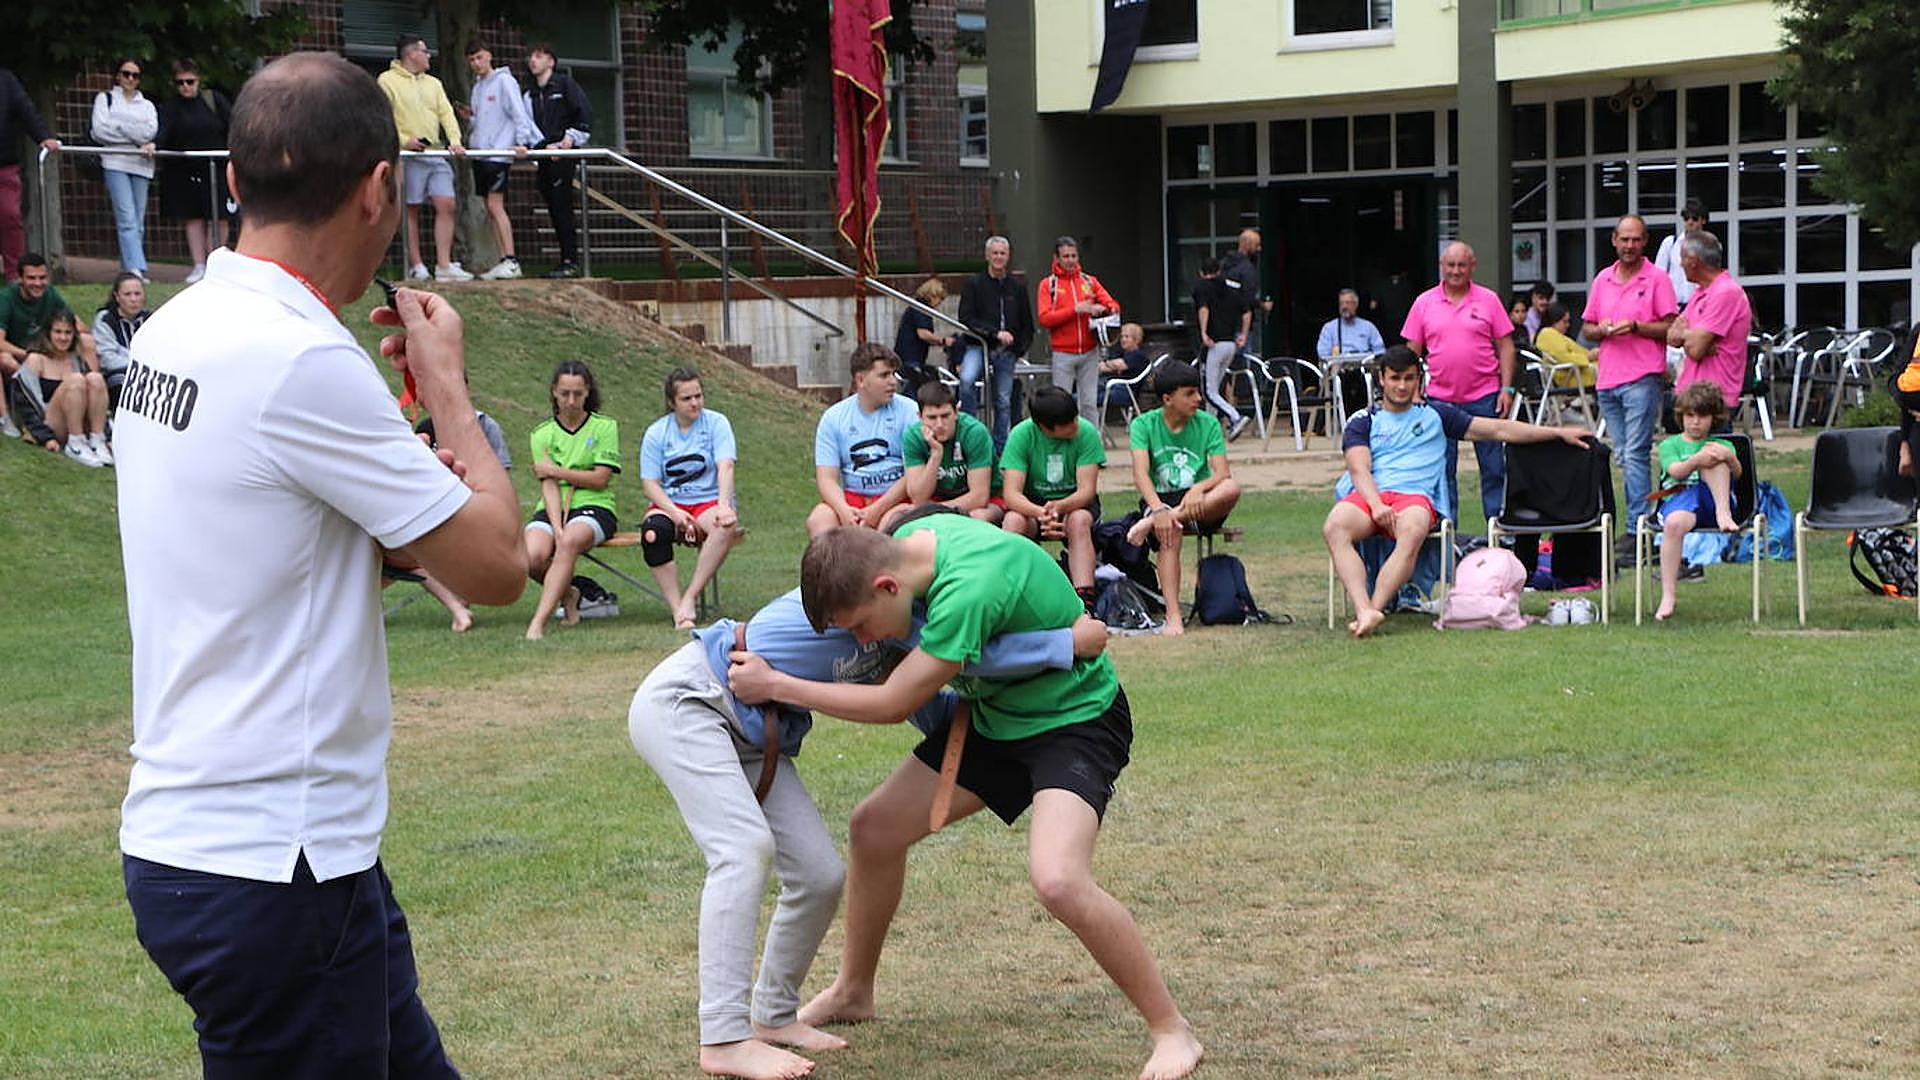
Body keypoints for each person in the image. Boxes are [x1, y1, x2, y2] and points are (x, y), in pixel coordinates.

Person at [116, 52, 525, 1077]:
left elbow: (273, 537)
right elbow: (495, 566)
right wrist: (448, 390)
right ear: (382, 188)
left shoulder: (176, 330)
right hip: (275, 864)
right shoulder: (299, 358)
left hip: (229, 845)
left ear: (238, 179)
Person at [724, 516, 1206, 1080]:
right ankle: (854, 991)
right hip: (994, 720)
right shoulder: (915, 545)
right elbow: (982, 653)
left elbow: (892, 702)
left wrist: (775, 685)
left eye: (859, 626)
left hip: (1074, 722)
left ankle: (1173, 1031)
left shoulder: (965, 588)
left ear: (886, 587)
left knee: (1058, 879)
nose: (862, 642)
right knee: (874, 829)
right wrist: (1057, 641)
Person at [631, 582, 1106, 1080]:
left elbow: (926, 704)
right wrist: (1064, 644)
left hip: (753, 734)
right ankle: (724, 1038)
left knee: (819, 874)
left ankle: (772, 1017)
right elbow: (976, 659)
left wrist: (1010, 722)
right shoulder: (849, 603)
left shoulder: (899, 628)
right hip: (689, 702)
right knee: (742, 850)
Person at [1325, 347, 1588, 638]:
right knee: (1335, 526)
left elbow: (1498, 430)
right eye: (1395, 378)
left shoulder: (1437, 414)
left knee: (1411, 530)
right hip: (1371, 494)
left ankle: (1376, 608)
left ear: (1419, 381)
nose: (1401, 385)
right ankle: (1364, 608)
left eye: (1409, 378)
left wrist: (1557, 433)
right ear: (1381, 380)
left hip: (1415, 498)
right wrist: (1375, 505)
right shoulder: (1363, 419)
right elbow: (1359, 469)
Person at [1399, 241, 1517, 525]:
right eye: (1450, 265)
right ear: (1442, 266)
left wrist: (1507, 388)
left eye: (1461, 265)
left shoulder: (1488, 299)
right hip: (1439, 399)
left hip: (1486, 395)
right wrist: (1413, 391)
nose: (1455, 271)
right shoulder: (1424, 302)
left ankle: (1498, 529)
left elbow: (1506, 347)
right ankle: (1447, 529)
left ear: (1472, 266)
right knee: (1441, 468)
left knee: (1493, 467)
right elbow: (1410, 353)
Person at [1581, 214, 1678, 547]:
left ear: (1645, 241)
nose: (1630, 245)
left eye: (1636, 239)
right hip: (1608, 379)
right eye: (1624, 239)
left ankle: (1638, 530)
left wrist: (1636, 326)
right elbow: (1587, 328)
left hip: (1642, 376)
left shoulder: (1657, 278)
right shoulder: (1603, 279)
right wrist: (1604, 329)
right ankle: (1647, 519)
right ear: (1614, 240)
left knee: (1635, 453)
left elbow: (1671, 327)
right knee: (1623, 454)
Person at [1124, 361, 1241, 636]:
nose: (1198, 399)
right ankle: (1173, 616)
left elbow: (1222, 472)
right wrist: (1158, 509)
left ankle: (1153, 523)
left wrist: (1200, 488)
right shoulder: (1144, 424)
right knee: (1170, 532)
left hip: (1199, 502)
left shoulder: (1208, 423)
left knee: (1231, 488)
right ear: (1168, 399)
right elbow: (1141, 475)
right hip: (1160, 499)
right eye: (1190, 393)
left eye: (1198, 392)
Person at [524, 358, 620, 639]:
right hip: (552, 508)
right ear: (554, 392)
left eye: (578, 393)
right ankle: (570, 595)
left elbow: (600, 479)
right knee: (532, 558)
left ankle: (538, 623)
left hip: (595, 505)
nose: (571, 400)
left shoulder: (604, 427)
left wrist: (555, 470)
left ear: (588, 392)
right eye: (565, 393)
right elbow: (549, 486)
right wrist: (555, 525)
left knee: (568, 541)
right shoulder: (541, 434)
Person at [639, 367, 741, 630]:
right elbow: (649, 484)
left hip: (708, 500)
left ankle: (690, 597)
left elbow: (726, 466)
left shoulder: (717, 423)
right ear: (672, 403)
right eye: (687, 398)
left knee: (725, 524)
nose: (695, 403)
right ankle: (677, 609)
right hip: (672, 502)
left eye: (698, 395)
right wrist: (674, 512)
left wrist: (723, 505)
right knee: (652, 533)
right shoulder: (657, 433)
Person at [410, 394, 514, 633]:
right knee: (411, 549)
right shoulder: (425, 429)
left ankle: (459, 601)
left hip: (477, 507)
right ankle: (458, 603)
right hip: (439, 510)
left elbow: (501, 477)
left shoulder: (485, 426)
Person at [998, 385, 1105, 607]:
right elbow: (1011, 494)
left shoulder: (1086, 432)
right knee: (1012, 520)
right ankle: (1011, 596)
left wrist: (1059, 507)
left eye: (1075, 418)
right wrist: (1041, 513)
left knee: (1079, 521)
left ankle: (1085, 599)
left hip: (1074, 502)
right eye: (1067, 423)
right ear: (1044, 427)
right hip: (1033, 505)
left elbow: (1087, 491)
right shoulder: (1021, 435)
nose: (1075, 425)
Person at [379, 34, 471, 282]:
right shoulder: (386, 81)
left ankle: (444, 265)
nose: (429, 55)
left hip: (436, 152)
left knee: (446, 204)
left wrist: (455, 141)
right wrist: (404, 140)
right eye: (424, 51)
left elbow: (446, 114)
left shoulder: (434, 83)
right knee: (411, 208)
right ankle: (417, 265)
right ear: (411, 54)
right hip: (408, 155)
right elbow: (383, 119)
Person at [1647, 381, 1741, 622]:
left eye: (1702, 416)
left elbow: (1739, 475)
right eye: (1690, 416)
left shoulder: (1722, 444)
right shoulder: (1670, 444)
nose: (1696, 422)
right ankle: (1668, 594)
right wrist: (1696, 460)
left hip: (1715, 500)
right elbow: (1676, 471)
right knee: (1674, 524)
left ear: (1714, 418)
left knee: (1716, 459)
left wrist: (1729, 458)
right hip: (1682, 497)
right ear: (1681, 416)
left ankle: (1723, 513)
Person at [807, 342, 918, 537]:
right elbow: (826, 478)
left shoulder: (910, 411)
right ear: (861, 379)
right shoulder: (834, 417)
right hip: (853, 499)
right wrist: (843, 510)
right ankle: (833, 568)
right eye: (884, 375)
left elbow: (914, 474)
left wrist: (877, 509)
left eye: (893, 374)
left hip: (897, 498)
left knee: (889, 524)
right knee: (819, 521)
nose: (893, 382)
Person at [1, 253, 100, 438]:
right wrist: (26, 355)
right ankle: (10, 416)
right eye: (31, 278)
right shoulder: (6, 298)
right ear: (20, 279)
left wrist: (66, 336)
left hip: (46, 353)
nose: (38, 283)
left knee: (87, 340)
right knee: (4, 359)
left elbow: (79, 326)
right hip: (19, 357)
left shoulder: (50, 294)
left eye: (42, 278)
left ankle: (91, 390)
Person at [464, 42, 540, 281]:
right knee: (489, 207)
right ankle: (502, 260)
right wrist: (469, 119)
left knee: (496, 205)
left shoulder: (505, 81)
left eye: (479, 57)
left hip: (499, 152)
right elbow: (481, 120)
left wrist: (521, 141)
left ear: (488, 56)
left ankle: (511, 259)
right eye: (472, 60)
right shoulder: (477, 88)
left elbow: (519, 113)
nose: (476, 63)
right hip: (481, 152)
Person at [882, 380, 1001, 530]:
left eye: (945, 416)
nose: (939, 424)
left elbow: (979, 497)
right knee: (893, 517)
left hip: (985, 502)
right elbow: (918, 497)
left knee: (977, 517)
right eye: (932, 418)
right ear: (920, 417)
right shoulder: (913, 436)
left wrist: (933, 510)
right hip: (935, 500)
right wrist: (936, 455)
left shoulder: (974, 432)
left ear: (956, 412)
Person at [154, 60, 232, 285]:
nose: (185, 87)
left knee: (219, 216)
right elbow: (164, 132)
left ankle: (216, 263)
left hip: (216, 167)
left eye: (190, 81)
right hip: (185, 170)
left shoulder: (214, 100)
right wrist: (153, 144)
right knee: (194, 217)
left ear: (198, 81)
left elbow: (232, 124)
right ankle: (199, 264)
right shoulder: (171, 107)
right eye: (180, 83)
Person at [954, 235, 1034, 450]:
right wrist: (994, 333)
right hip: (977, 344)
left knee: (1003, 400)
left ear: (1008, 257)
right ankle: (970, 435)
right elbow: (966, 318)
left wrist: (1018, 350)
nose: (999, 257)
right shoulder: (974, 284)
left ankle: (1001, 448)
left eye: (1003, 253)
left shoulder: (1016, 287)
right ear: (987, 256)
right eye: (995, 253)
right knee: (967, 381)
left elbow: (1027, 323)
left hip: (1007, 351)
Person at [1665, 230, 1752, 416]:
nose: (1680, 264)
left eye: (1682, 258)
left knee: (1713, 446)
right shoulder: (1700, 292)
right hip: (1690, 394)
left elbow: (1695, 350)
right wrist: (1696, 337)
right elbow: (1672, 336)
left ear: (1693, 260)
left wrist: (1689, 337)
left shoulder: (1726, 292)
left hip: (1714, 400)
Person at [1036, 235, 1119, 428]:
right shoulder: (1048, 285)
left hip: (1090, 350)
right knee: (1060, 404)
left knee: (1089, 404)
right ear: (1056, 258)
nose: (1071, 260)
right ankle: (1062, 443)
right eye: (1066, 256)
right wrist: (1075, 310)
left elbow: (1113, 304)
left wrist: (1104, 308)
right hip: (1063, 352)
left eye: (1074, 255)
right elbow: (1045, 318)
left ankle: (1092, 447)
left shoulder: (1089, 281)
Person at [525, 43, 592, 279]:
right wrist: (539, 146)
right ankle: (565, 259)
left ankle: (570, 260)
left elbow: (582, 115)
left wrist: (568, 140)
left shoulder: (565, 85)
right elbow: (527, 127)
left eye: (539, 56)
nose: (533, 60)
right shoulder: (530, 93)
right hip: (544, 155)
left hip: (563, 155)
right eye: (531, 56)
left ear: (551, 62)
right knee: (553, 206)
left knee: (562, 204)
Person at [91, 58, 160, 280]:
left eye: (135, 75)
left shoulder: (147, 105)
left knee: (137, 220)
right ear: (118, 76)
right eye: (126, 73)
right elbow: (100, 131)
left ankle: (128, 270)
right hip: (115, 162)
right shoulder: (105, 99)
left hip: (141, 165)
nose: (130, 79)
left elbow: (148, 133)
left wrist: (119, 126)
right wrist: (133, 134)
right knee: (126, 217)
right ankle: (136, 268)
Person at [19, 309, 110, 464]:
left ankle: (98, 441)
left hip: (83, 421)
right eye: (58, 332)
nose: (63, 337)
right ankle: (75, 444)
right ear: (48, 333)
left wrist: (109, 435)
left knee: (95, 378)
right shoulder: (36, 360)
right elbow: (25, 405)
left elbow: (97, 400)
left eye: (68, 333)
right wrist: (46, 438)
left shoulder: (76, 360)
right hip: (53, 424)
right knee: (75, 380)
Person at [1, 67, 59, 282]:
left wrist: (42, 136)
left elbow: (25, 109)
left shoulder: (5, 80)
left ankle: (14, 276)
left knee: (10, 217)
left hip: (4, 165)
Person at [1191, 255, 1252, 440]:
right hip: (1230, 344)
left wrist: (1203, 332)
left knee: (1209, 391)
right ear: (1219, 271)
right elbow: (1247, 311)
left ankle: (1235, 417)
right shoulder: (1230, 288)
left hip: (1215, 344)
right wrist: (1244, 334)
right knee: (1215, 387)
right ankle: (1210, 429)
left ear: (1202, 273)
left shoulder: (1201, 287)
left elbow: (1204, 309)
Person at [92, 270, 149, 412]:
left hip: (148, 373)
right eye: (127, 294)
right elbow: (108, 359)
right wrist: (140, 363)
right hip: (116, 375)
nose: (133, 299)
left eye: (137, 294)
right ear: (117, 297)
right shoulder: (106, 320)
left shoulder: (151, 320)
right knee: (125, 383)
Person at [892, 276, 954, 401]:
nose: (939, 303)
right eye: (940, 298)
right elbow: (923, 334)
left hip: (910, 357)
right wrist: (943, 341)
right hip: (909, 358)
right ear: (932, 294)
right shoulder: (921, 309)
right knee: (915, 389)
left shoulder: (917, 308)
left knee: (917, 385)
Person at [1218, 227, 1271, 355]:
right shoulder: (1247, 270)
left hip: (1221, 325)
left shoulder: (1224, 265)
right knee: (1243, 365)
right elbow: (1247, 301)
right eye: (1257, 245)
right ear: (1247, 244)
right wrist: (1263, 305)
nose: (1259, 249)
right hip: (1239, 328)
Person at [1654, 199, 1710, 308]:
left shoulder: (1709, 246)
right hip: (1673, 307)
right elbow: (1658, 276)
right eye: (1686, 218)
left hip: (1699, 307)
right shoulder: (1670, 243)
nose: (1690, 222)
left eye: (1694, 218)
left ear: (1703, 220)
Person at [1533, 302, 1595, 391]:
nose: (1568, 325)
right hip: (1572, 377)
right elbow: (1562, 356)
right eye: (1564, 322)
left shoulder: (1557, 336)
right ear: (1554, 321)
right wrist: (1588, 357)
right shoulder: (1548, 334)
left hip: (1577, 373)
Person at [1098, 320, 1151, 418]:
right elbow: (1102, 368)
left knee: (1083, 399)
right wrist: (1111, 365)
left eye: (1127, 337)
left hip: (1125, 392)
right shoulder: (1123, 353)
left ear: (1136, 339)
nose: (1123, 340)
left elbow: (1120, 365)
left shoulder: (1138, 355)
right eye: (1122, 336)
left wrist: (1109, 364)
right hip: (1111, 387)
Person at [1316, 287, 1386, 359]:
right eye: (1341, 303)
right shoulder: (1329, 328)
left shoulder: (1368, 327)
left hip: (1364, 366)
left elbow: (1380, 352)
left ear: (1356, 304)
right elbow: (1323, 354)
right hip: (1339, 366)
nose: (1344, 306)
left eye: (1348, 303)